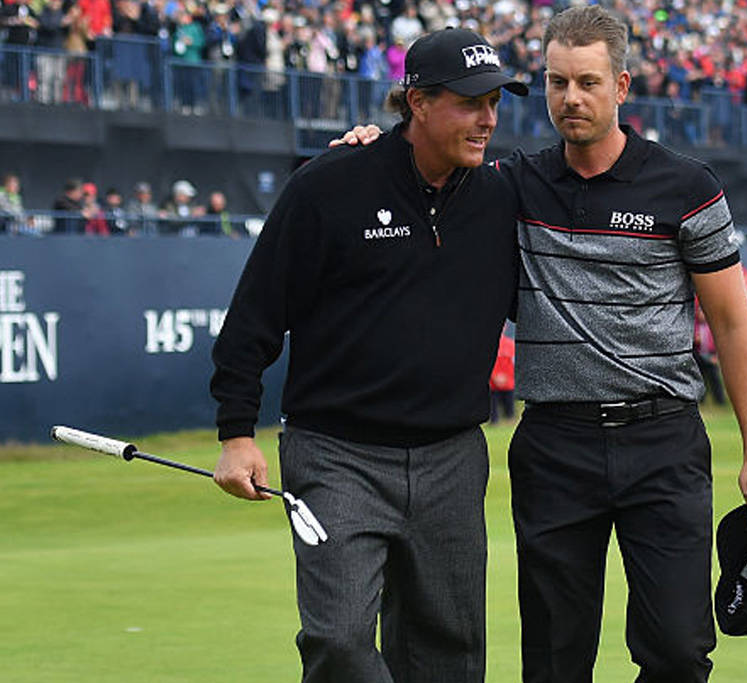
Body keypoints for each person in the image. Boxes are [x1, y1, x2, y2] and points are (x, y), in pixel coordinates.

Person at [337, 8, 747, 681]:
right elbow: (421, 170)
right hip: (555, 446)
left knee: (678, 652)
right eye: (555, 83)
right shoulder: (509, 186)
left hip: (661, 443)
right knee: (553, 661)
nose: (569, 98)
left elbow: (733, 325)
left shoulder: (688, 187)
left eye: (586, 82)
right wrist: (377, 148)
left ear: (622, 86)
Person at [210, 28, 527, 683]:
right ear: (417, 101)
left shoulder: (500, 198)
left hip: (452, 458)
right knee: (340, 639)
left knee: (450, 652)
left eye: (495, 102)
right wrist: (236, 433)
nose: (488, 119)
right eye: (470, 103)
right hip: (336, 455)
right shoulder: (328, 186)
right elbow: (254, 316)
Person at [489, 327, 516, 423]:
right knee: (493, 416)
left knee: (510, 414)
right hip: (492, 384)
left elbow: (515, 364)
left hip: (508, 383)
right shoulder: (488, 344)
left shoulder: (510, 344)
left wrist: (507, 377)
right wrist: (494, 376)